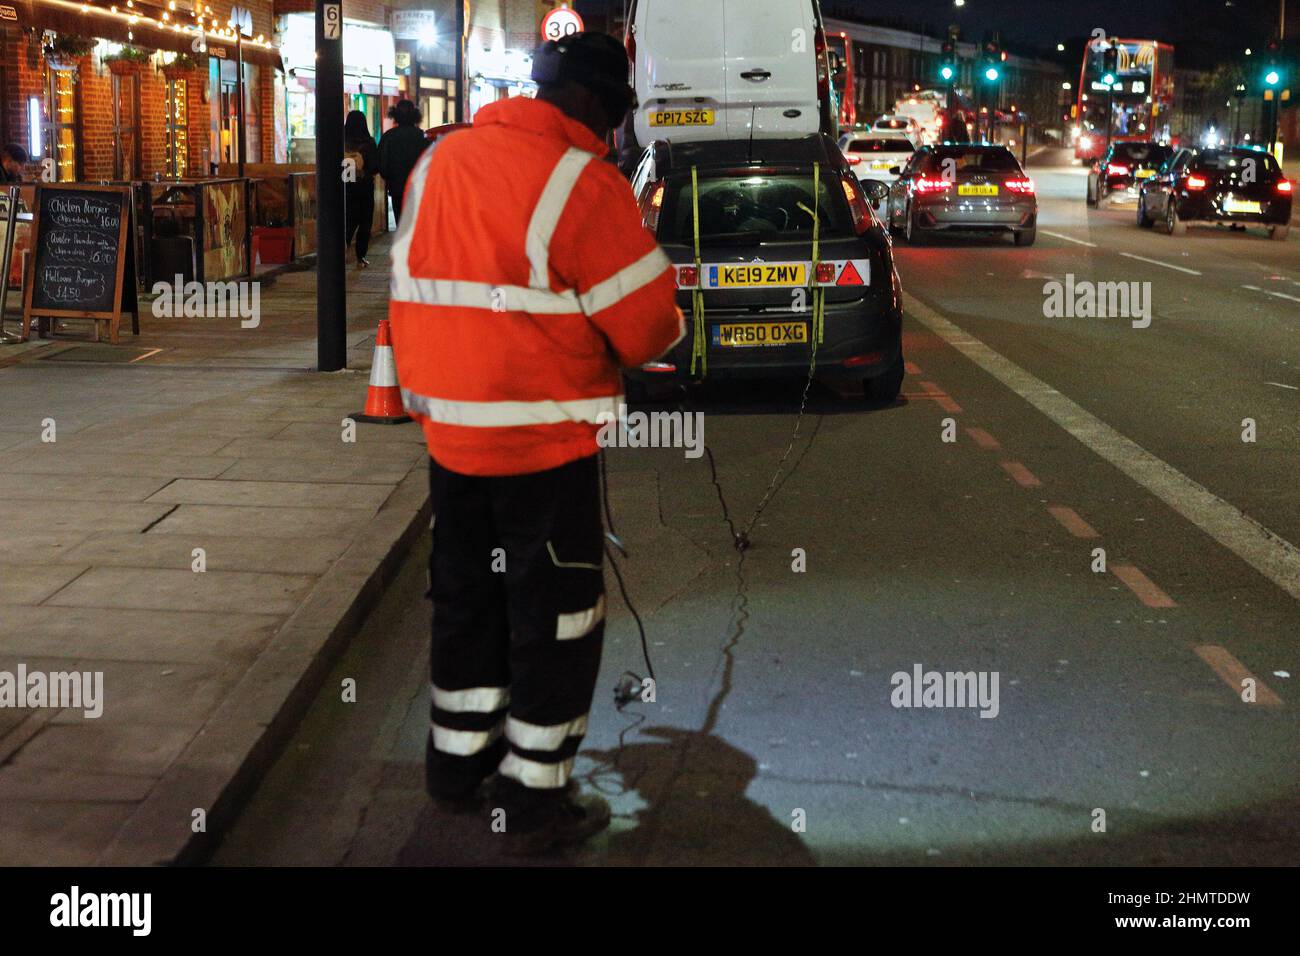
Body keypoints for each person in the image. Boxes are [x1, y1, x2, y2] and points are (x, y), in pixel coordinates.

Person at [387, 32, 683, 856]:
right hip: (542, 446)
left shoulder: (441, 161)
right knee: (555, 616)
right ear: (598, 105)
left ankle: (454, 771)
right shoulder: (582, 185)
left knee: (465, 601)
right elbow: (647, 323)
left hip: (451, 440)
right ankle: (532, 795)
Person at [378, 99, 428, 223]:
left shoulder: (388, 137)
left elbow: (382, 166)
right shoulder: (423, 137)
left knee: (401, 223)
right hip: (418, 188)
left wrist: (390, 178)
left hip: (396, 188)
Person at [343, 111, 379, 268]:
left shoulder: (340, 141)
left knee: (348, 220)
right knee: (365, 222)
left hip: (345, 187)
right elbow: (375, 166)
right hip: (364, 187)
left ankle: (342, 249)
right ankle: (360, 257)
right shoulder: (369, 143)